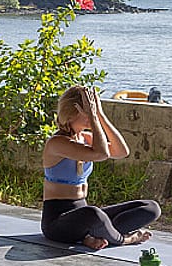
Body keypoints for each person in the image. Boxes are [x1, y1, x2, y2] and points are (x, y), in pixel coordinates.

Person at [41, 86, 160, 249]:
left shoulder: (85, 138)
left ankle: (93, 235)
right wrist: (93, 117)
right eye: (88, 110)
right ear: (72, 112)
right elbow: (101, 153)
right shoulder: (57, 143)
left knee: (151, 208)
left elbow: (121, 151)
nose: (92, 115)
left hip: (83, 215)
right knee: (94, 213)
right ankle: (122, 239)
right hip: (57, 223)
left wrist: (100, 115)